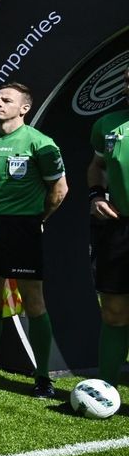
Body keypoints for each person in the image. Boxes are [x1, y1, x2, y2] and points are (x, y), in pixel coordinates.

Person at [0, 82, 66, 398]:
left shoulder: (39, 143)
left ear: (24, 108)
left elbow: (59, 191)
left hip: (23, 229)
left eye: (7, 99)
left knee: (34, 302)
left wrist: (37, 219)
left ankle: (43, 376)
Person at [87, 64, 129, 384]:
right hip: (119, 229)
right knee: (113, 312)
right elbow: (97, 166)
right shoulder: (108, 124)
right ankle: (107, 389)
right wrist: (97, 195)